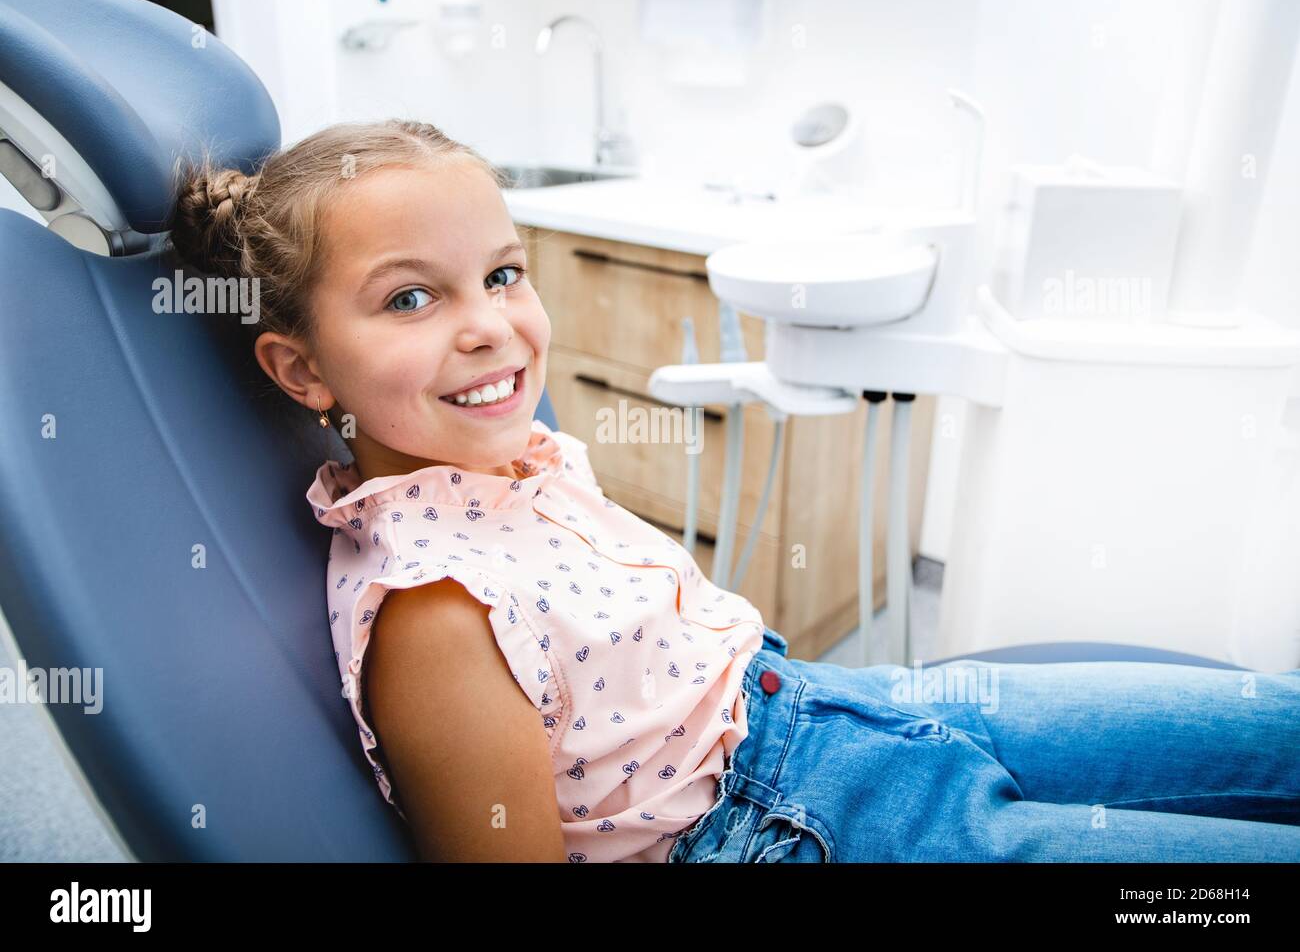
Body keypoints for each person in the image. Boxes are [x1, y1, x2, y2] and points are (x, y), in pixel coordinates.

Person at [167, 118, 1300, 863]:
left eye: (503, 273)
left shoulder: (494, 459)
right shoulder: (435, 614)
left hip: (824, 700)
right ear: (302, 368)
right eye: (410, 300)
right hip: (796, 820)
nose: (489, 325)